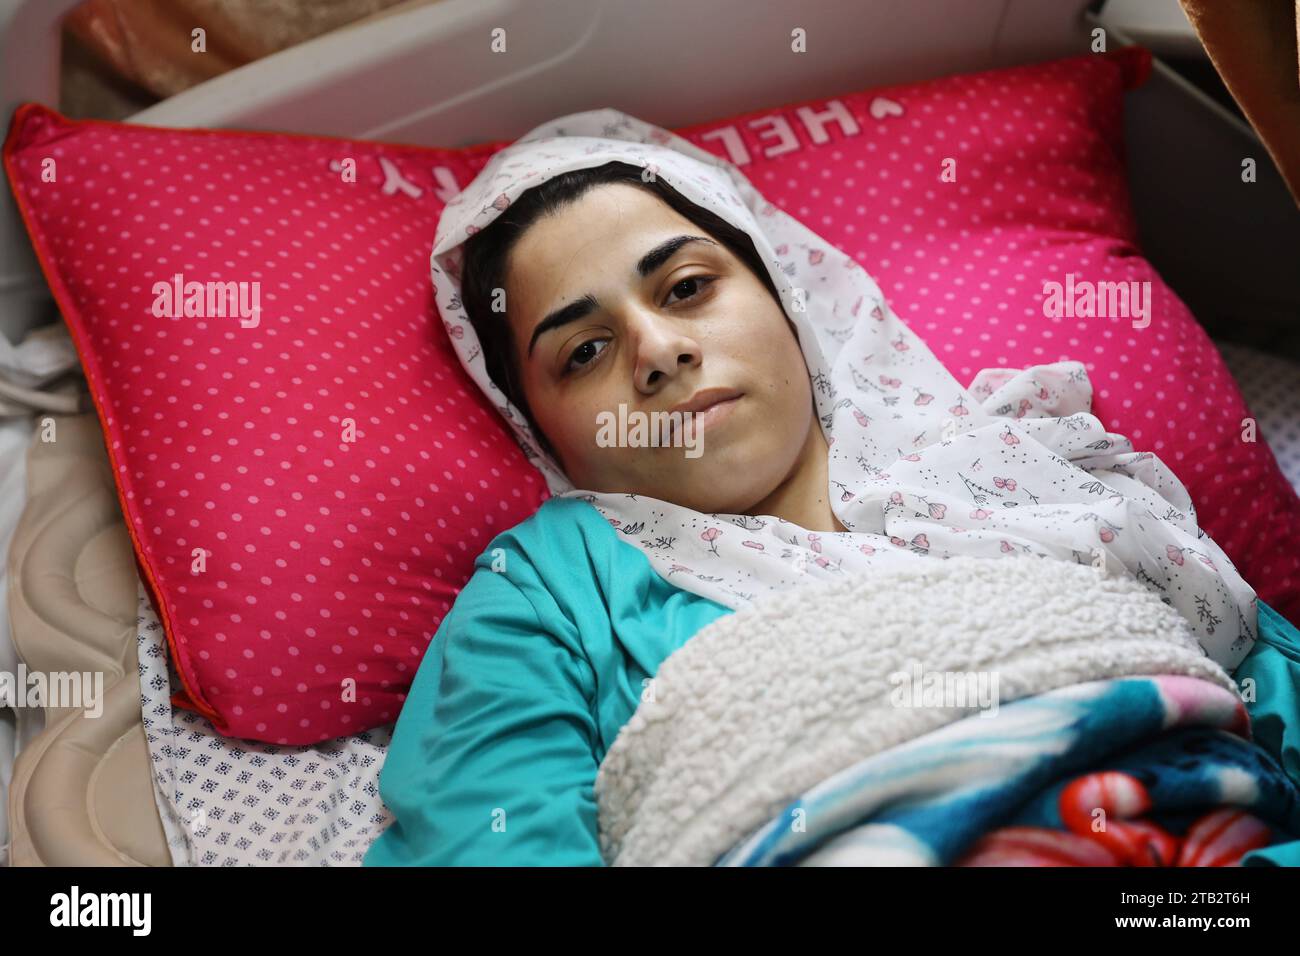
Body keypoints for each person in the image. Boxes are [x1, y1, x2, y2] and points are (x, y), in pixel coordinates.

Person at [362, 109, 1297, 867]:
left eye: (686, 287)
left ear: (786, 294)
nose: (658, 353)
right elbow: (489, 836)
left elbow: (1264, 684)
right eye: (585, 351)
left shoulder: (1034, 464)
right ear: (541, 426)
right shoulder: (553, 589)